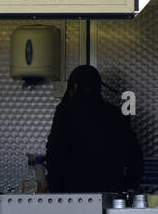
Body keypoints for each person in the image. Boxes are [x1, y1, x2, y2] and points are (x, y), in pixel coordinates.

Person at [45, 64, 144, 193]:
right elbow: (135, 158)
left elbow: (55, 154)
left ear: (75, 86)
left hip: (72, 197)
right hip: (109, 196)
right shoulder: (115, 115)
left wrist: (55, 192)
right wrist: (127, 187)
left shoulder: (65, 111)